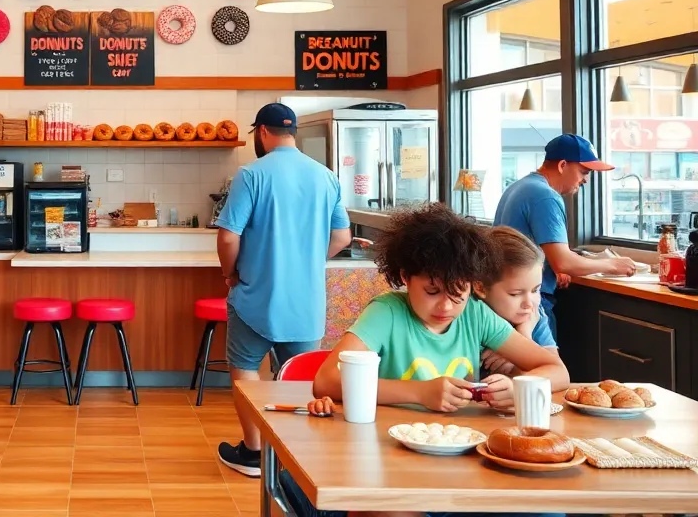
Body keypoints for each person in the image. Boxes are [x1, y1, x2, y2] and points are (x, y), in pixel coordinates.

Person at [286, 205, 568, 517]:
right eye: (432, 291)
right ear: (405, 277)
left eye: (458, 293)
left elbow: (556, 371)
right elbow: (326, 381)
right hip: (390, 464)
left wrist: (517, 387)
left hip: (465, 465)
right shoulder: (387, 313)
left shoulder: (475, 314)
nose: (446, 305)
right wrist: (420, 393)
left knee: (545, 511)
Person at [214, 103, 352, 477]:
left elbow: (228, 237)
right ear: (292, 132)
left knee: (245, 369)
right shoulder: (326, 176)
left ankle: (254, 453)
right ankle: (296, 458)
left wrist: (230, 274)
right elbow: (342, 235)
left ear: (261, 132)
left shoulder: (251, 174)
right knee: (301, 380)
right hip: (305, 304)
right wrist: (307, 259)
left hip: (255, 299)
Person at [493, 133, 637, 336]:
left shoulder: (519, 187)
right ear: (562, 165)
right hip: (530, 304)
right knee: (546, 366)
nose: (586, 180)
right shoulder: (545, 196)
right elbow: (565, 262)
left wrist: (555, 267)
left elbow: (532, 246)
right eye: (583, 171)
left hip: (506, 300)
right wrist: (614, 265)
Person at [475, 227, 559, 378]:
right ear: (480, 287)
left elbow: (555, 372)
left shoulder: (533, 315)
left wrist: (523, 337)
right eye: (515, 294)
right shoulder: (472, 315)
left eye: (535, 290)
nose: (529, 303)